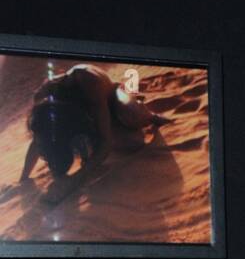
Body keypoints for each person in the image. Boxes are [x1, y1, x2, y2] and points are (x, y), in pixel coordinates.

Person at [20, 62, 169, 187]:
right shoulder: (43, 99)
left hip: (110, 101)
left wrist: (77, 178)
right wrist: (24, 178)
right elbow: (38, 139)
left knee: (130, 118)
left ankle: (150, 115)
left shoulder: (86, 81)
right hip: (88, 117)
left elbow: (106, 143)